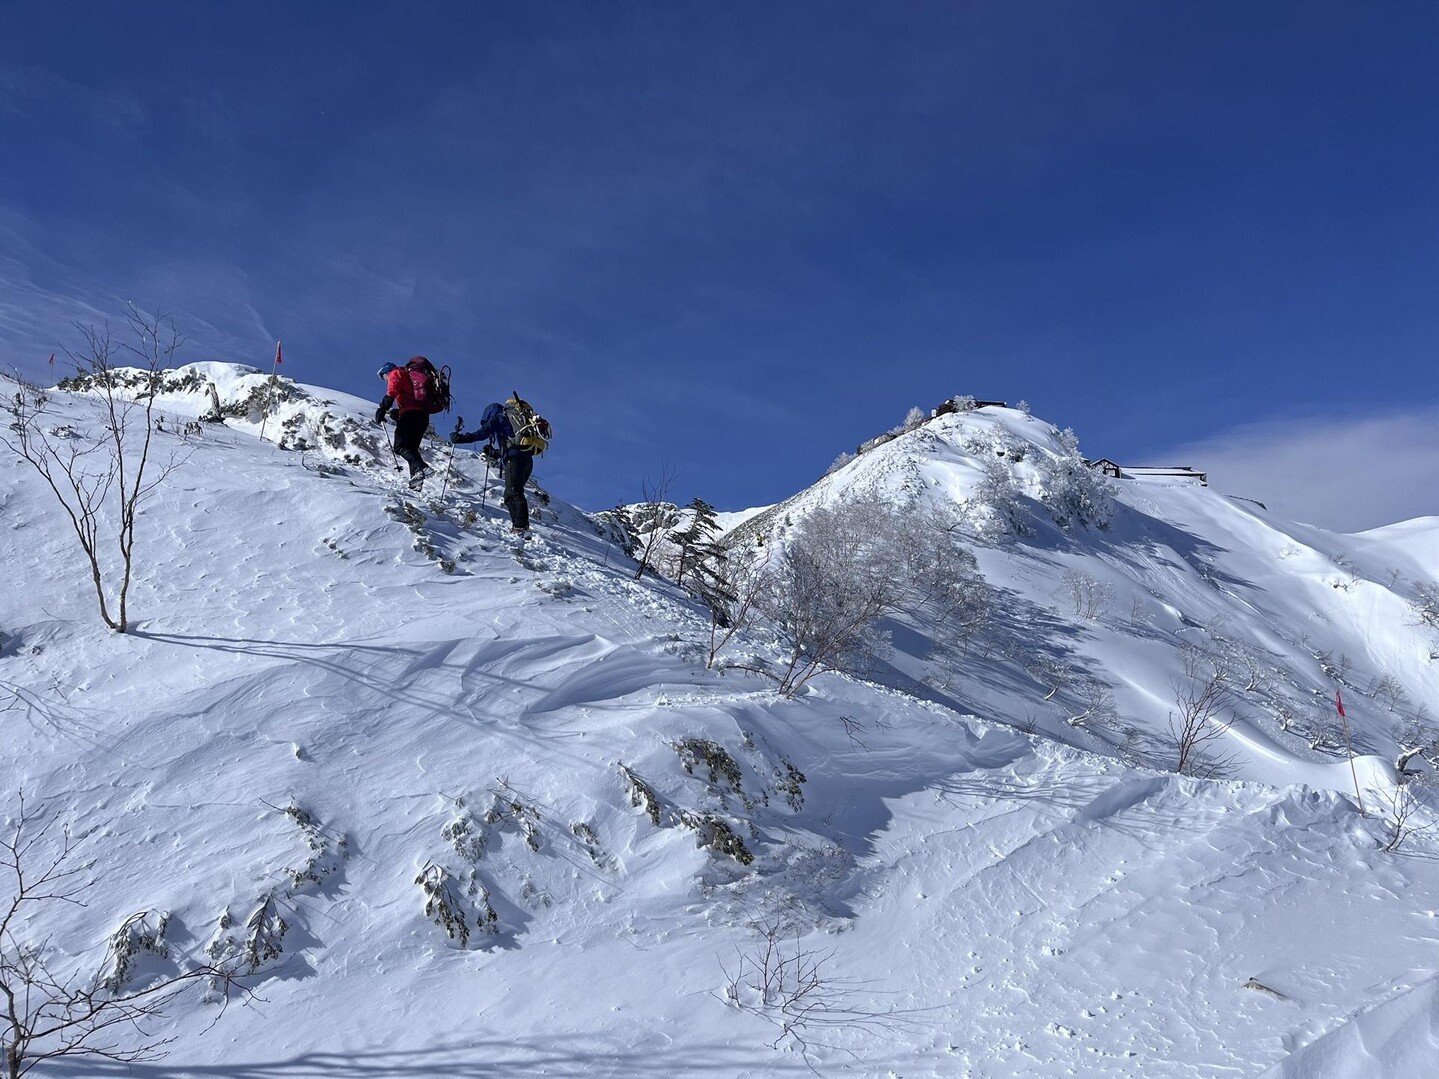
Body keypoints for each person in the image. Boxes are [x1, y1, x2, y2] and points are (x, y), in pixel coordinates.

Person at [453, 400, 534, 533]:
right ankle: (519, 527)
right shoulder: (511, 425)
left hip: (514, 459)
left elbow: (482, 433)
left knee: (513, 492)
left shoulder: (498, 417)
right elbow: (511, 446)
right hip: (526, 460)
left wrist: (461, 438)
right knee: (509, 494)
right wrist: (494, 453)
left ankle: (521, 527)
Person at [374, 359, 431, 483]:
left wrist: (382, 408)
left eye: (384, 377)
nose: (385, 380)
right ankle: (416, 479)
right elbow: (410, 399)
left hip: (410, 415)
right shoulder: (408, 377)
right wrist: (398, 413)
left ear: (386, 372)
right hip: (422, 416)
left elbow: (392, 391)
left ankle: (423, 468)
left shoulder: (396, 373)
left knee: (400, 446)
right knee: (411, 448)